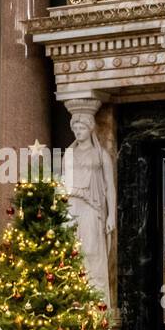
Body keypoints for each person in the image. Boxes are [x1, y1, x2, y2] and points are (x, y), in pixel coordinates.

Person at [61, 107, 116, 299]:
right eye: (75, 128)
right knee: (72, 252)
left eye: (81, 128)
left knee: (92, 252)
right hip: (71, 207)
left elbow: (110, 186)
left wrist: (112, 216)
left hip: (93, 208)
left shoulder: (101, 155)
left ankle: (96, 303)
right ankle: (75, 300)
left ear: (90, 128)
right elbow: (63, 183)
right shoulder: (68, 154)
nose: (78, 131)